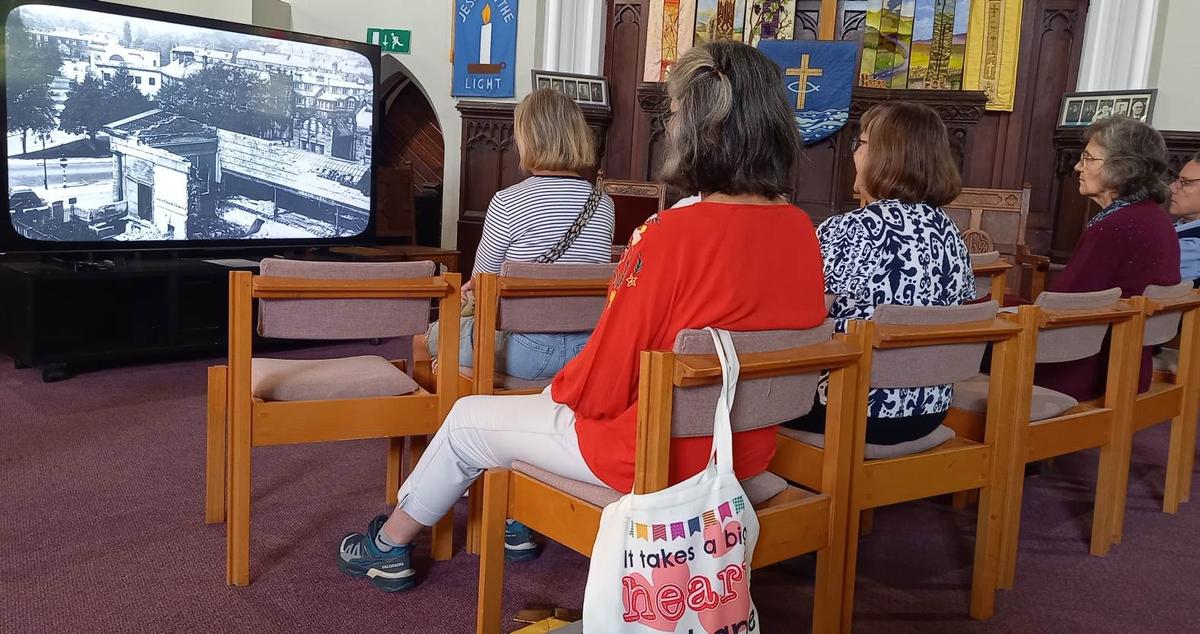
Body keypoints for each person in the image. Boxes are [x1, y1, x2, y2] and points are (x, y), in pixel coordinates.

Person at [335, 40, 828, 592]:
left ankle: (388, 544)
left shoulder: (673, 235)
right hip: (742, 447)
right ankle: (508, 516)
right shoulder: (801, 231)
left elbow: (601, 388)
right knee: (529, 411)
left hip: (646, 453)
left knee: (468, 420)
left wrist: (556, 392)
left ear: (694, 127)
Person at [783, 102, 973, 445]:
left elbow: (801, 322)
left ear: (888, 155)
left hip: (848, 408)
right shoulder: (950, 232)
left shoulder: (851, 228)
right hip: (929, 409)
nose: (854, 153)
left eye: (863, 143)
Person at [425, 88, 615, 381]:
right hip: (587, 351)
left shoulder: (508, 201)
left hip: (524, 353)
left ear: (528, 139)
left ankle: (460, 385)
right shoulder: (604, 204)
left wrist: (465, 294)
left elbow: (483, 282)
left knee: (434, 335)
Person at [1035, 116, 1180, 401]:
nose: (1077, 166)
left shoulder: (1116, 225)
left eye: (1088, 158)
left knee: (965, 348)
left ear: (1122, 167)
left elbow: (1065, 304)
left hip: (1085, 369)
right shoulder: (1154, 217)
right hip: (1127, 362)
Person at [1168, 151, 1200, 286]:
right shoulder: (1178, 227)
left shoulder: (1194, 243)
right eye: (1177, 181)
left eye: (1185, 183)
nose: (1171, 188)